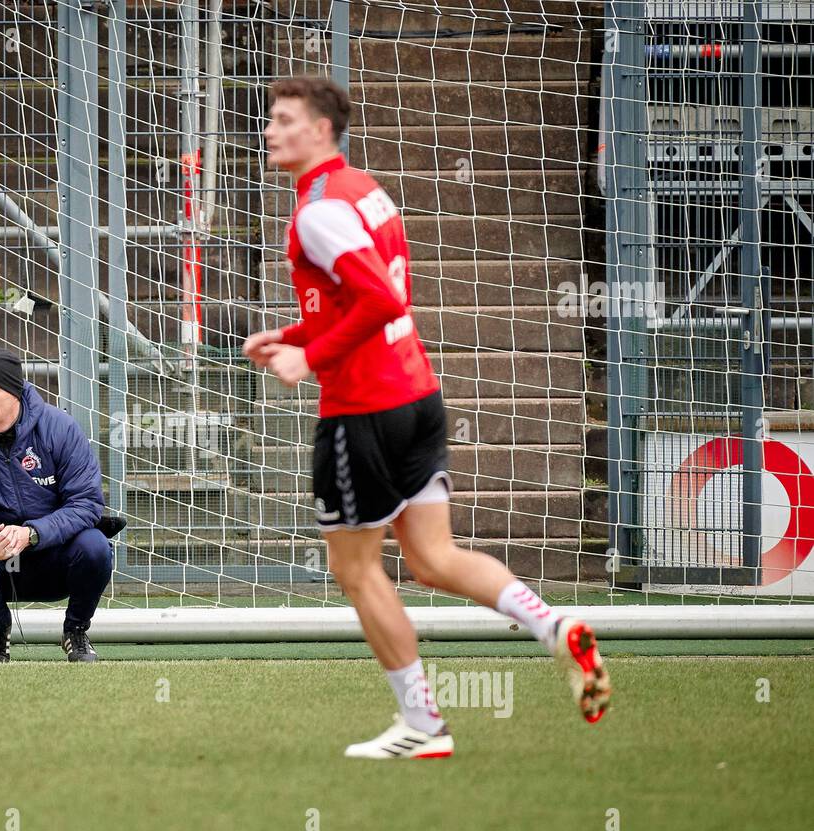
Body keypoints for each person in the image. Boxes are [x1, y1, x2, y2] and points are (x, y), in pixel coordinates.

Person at [243, 76, 611, 758]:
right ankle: (553, 625)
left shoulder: (318, 210)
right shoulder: (362, 188)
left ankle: (424, 724)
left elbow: (379, 300)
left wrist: (310, 356)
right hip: (416, 395)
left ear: (321, 130)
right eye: (271, 118)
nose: (270, 131)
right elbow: (368, 296)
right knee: (432, 558)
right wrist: (293, 335)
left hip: (364, 411)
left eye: (286, 119)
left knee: (357, 571)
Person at [0, 346, 112, 663]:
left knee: (96, 546)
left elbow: (86, 504)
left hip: (55, 557)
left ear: (14, 392)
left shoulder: (60, 429)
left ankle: (75, 631)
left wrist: (32, 533)